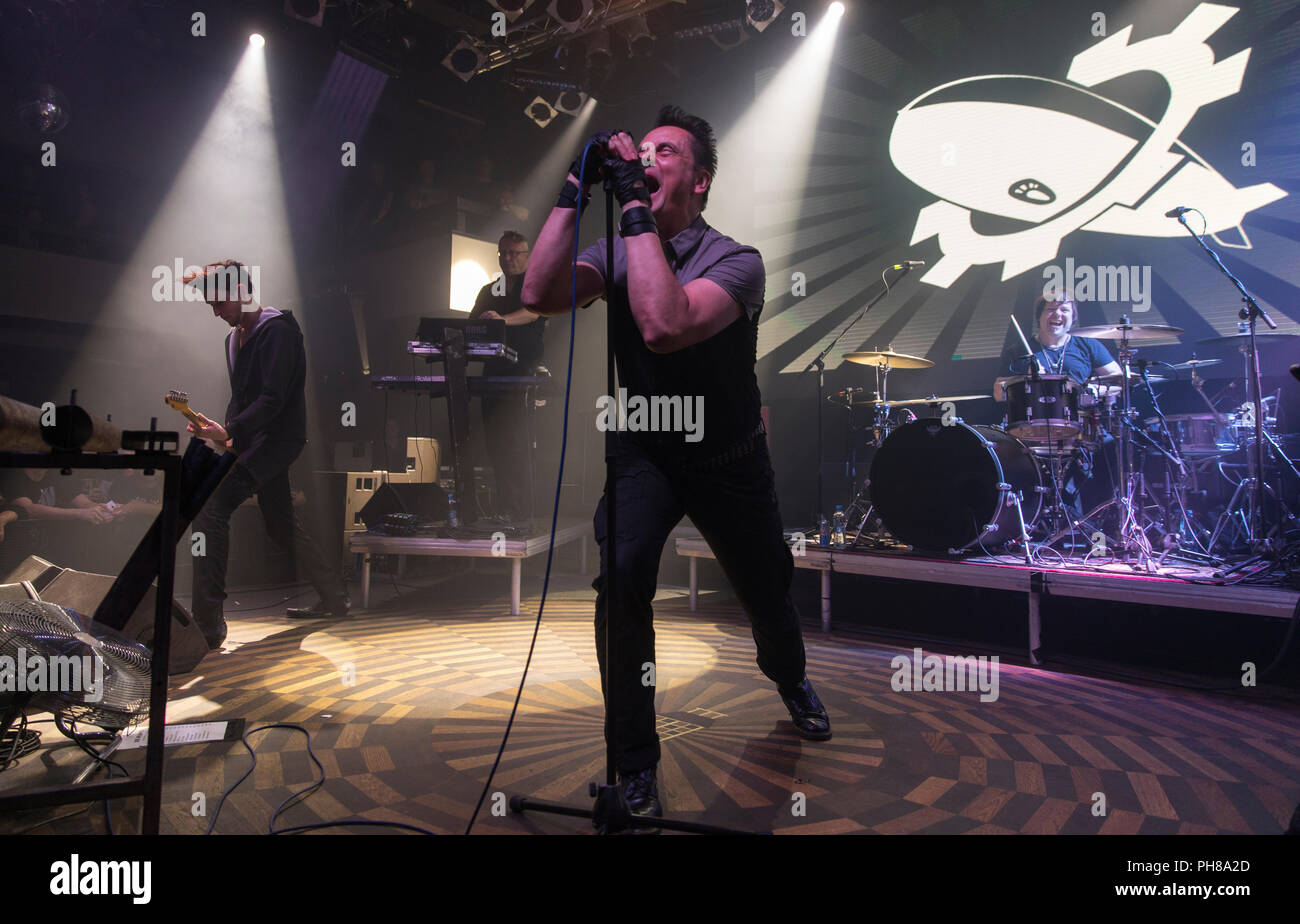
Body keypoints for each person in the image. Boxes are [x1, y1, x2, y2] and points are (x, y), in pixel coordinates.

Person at [521, 105, 830, 823]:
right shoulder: (616, 248)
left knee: (766, 593)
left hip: (728, 457)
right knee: (622, 579)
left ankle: (790, 678)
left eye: (666, 153)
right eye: (643, 152)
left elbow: (663, 326)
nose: (650, 159)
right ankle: (634, 763)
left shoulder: (737, 261)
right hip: (645, 450)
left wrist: (631, 200)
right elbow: (537, 294)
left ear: (702, 182)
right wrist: (574, 187)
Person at [182, 260, 349, 650]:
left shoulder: (279, 331)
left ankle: (208, 625)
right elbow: (243, 398)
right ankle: (335, 597)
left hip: (278, 441)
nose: (215, 311)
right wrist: (222, 433)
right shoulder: (232, 339)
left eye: (219, 302)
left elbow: (273, 399)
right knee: (279, 523)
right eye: (210, 305)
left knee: (210, 509)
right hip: (251, 441)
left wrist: (233, 431)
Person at [469, 231, 545, 522]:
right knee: (495, 443)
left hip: (523, 374)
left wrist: (501, 320)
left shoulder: (536, 285)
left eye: (515, 253)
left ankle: (520, 511)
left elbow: (534, 313)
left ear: (527, 255)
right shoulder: (490, 290)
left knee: (515, 443)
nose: (509, 259)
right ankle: (504, 510)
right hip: (493, 375)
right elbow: (471, 327)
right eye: (504, 253)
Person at [992, 293, 1120, 401]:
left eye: (1064, 310)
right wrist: (1027, 380)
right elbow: (998, 395)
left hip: (1081, 422)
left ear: (1072, 318)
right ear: (1039, 316)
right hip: (1034, 422)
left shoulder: (1088, 345)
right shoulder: (1018, 351)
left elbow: (1119, 381)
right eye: (1050, 310)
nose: (1057, 314)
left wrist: (1093, 390)